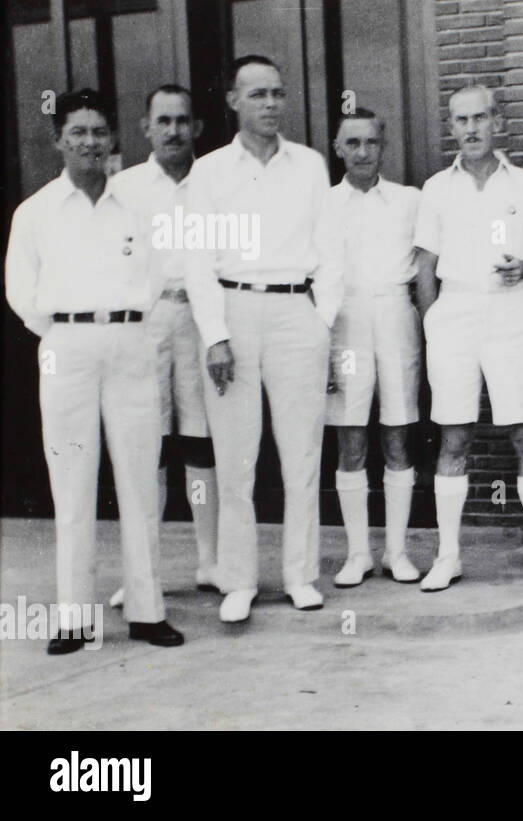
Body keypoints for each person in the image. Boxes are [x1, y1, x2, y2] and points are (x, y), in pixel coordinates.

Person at [5, 88, 183, 653]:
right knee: (73, 486)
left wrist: (122, 329)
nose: (89, 142)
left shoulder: (138, 212)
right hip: (66, 345)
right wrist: (65, 334)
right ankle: (74, 618)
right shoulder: (34, 213)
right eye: (77, 132)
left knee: (138, 480)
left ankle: (147, 610)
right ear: (58, 139)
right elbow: (21, 293)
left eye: (98, 132)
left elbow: (154, 281)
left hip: (130, 341)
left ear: (114, 140)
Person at [185, 55, 343, 623]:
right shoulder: (208, 173)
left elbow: (332, 250)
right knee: (236, 459)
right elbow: (197, 262)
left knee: (302, 453)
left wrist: (320, 321)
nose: (271, 104)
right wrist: (215, 335)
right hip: (233, 311)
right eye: (258, 95)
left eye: (278, 93)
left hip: (295, 313)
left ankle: (300, 575)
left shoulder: (308, 165)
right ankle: (239, 580)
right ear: (232, 101)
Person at [412, 85, 523, 591]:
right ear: (452, 126)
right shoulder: (436, 188)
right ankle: (448, 556)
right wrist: (433, 324)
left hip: (510, 315)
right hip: (455, 314)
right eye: (461, 120)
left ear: (497, 122)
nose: (471, 128)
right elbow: (424, 268)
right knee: (455, 435)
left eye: (480, 118)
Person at [107, 84, 220, 610]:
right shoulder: (125, 189)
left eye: (183, 121)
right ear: (146, 129)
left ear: (196, 127)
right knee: (144, 446)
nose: (173, 130)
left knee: (199, 440)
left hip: (202, 321)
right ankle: (142, 573)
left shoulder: (217, 184)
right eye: (163, 121)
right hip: (145, 324)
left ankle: (210, 560)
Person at [322, 108, 422, 588]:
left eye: (371, 143)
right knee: (350, 437)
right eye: (352, 143)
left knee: (398, 434)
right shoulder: (322, 206)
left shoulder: (409, 201)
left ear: (383, 146)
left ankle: (397, 551)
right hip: (342, 321)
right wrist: (321, 340)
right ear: (338, 148)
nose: (363, 152)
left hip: (396, 316)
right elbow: (312, 279)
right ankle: (358, 552)